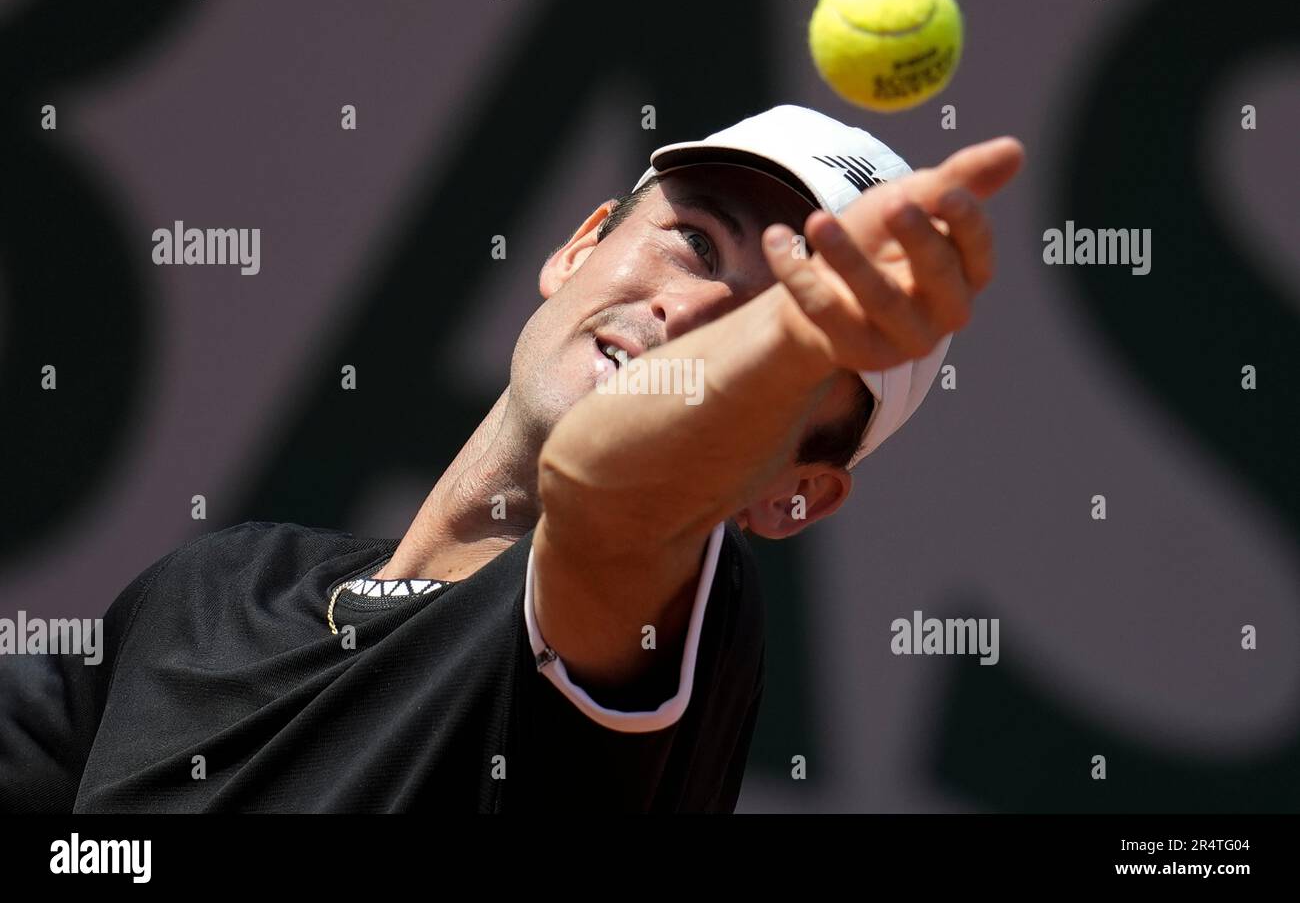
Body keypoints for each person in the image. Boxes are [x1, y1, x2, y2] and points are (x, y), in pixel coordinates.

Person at [0, 105, 1023, 812]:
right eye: (698, 243)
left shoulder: (686, 618)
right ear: (579, 248)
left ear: (797, 494)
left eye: (782, 319)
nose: (693, 310)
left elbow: (611, 496)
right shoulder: (219, 582)